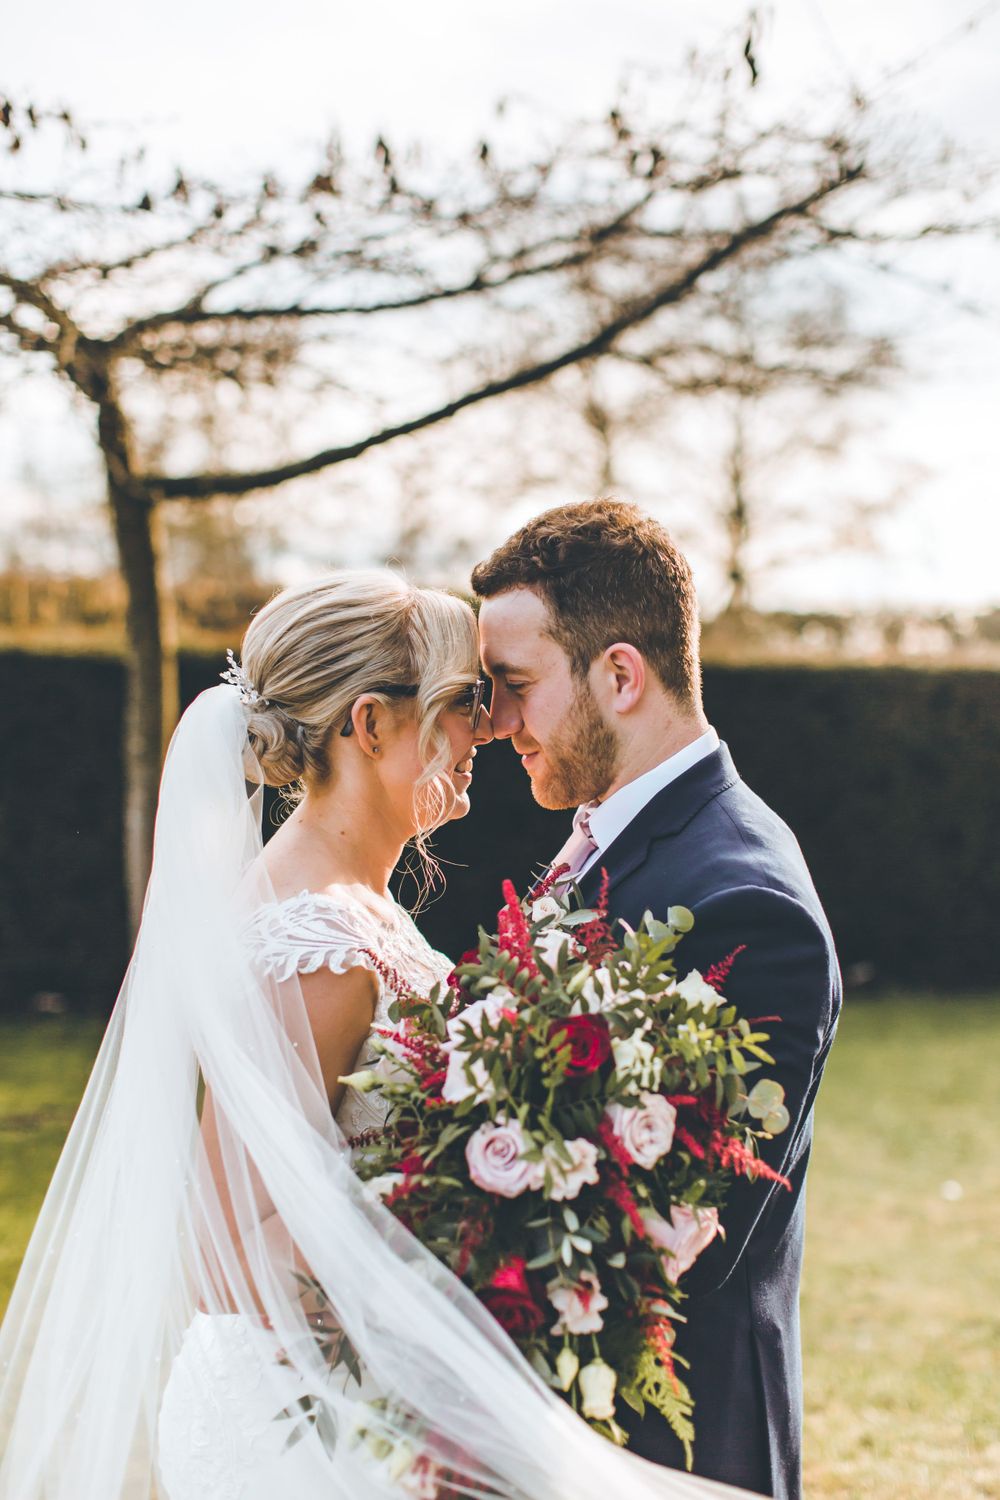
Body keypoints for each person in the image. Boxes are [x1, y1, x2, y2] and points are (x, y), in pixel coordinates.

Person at [0, 567, 753, 1500]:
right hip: (297, 1427)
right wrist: (472, 1227)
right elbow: (221, 1250)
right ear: (370, 723)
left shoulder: (359, 909)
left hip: (362, 1399)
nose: (488, 728)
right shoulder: (310, 945)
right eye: (463, 701)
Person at [474, 500, 842, 1500]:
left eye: (514, 687)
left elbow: (681, 1236)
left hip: (671, 1446)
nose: (497, 722)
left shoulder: (743, 900)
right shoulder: (608, 830)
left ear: (620, 675)